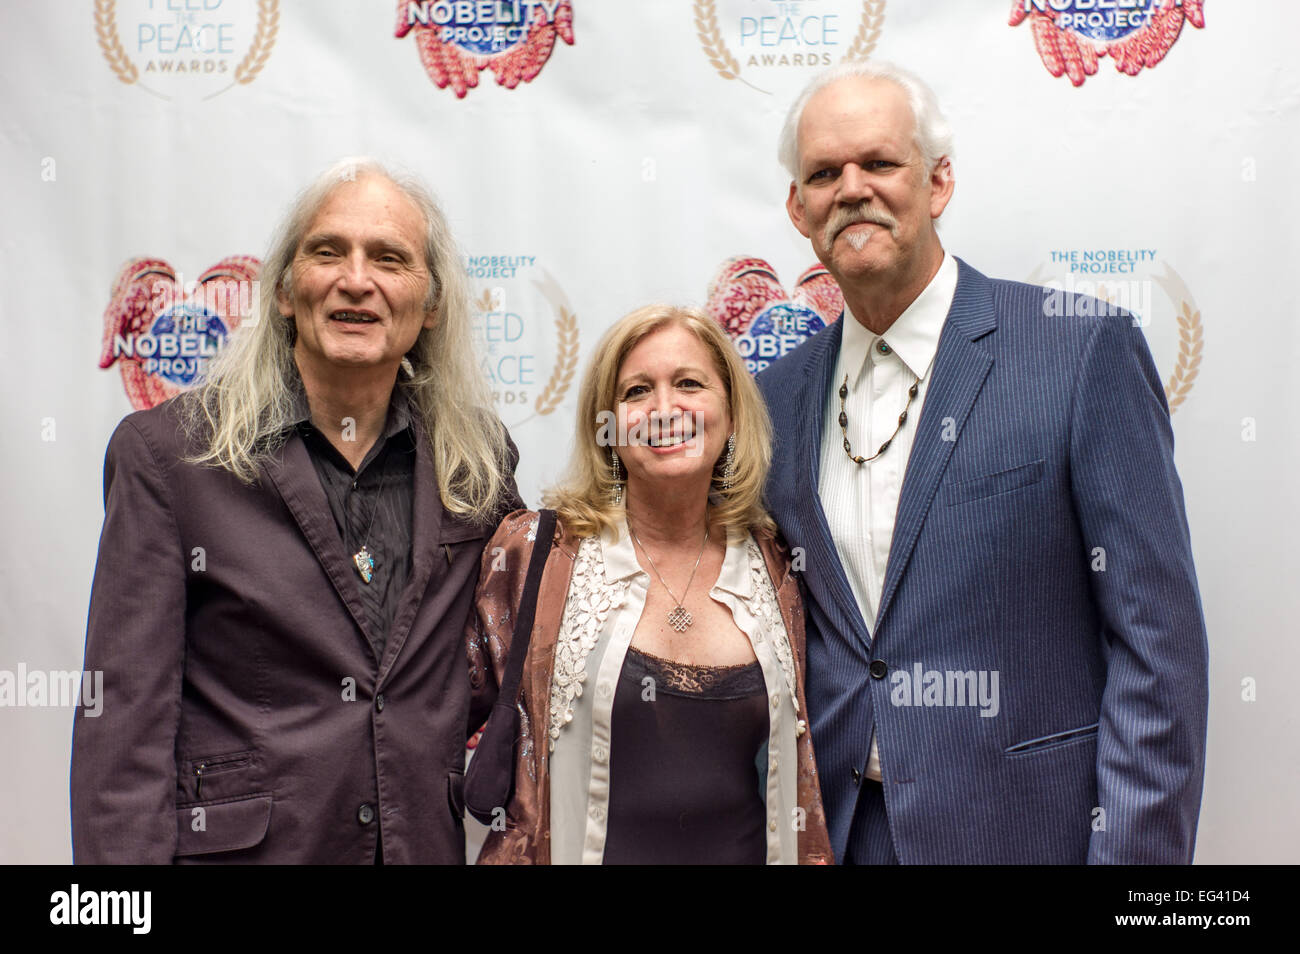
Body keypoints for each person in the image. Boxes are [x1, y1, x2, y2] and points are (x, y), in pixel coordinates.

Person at [758, 62, 1209, 864]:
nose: (851, 188)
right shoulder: (772, 400)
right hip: (836, 835)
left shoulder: (1078, 352)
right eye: (824, 173)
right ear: (799, 208)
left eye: (879, 163)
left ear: (938, 183)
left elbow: (1158, 648)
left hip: (1028, 835)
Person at [70, 158, 522, 863]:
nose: (356, 279)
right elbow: (124, 722)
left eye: (390, 258)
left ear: (431, 305)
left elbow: (523, 649)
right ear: (284, 289)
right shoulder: (170, 458)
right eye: (328, 251)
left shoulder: (478, 462)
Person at [466, 304, 832, 864]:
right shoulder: (536, 552)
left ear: (731, 414)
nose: (664, 409)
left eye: (689, 383)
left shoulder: (781, 562)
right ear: (606, 424)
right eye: (637, 391)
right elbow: (431, 711)